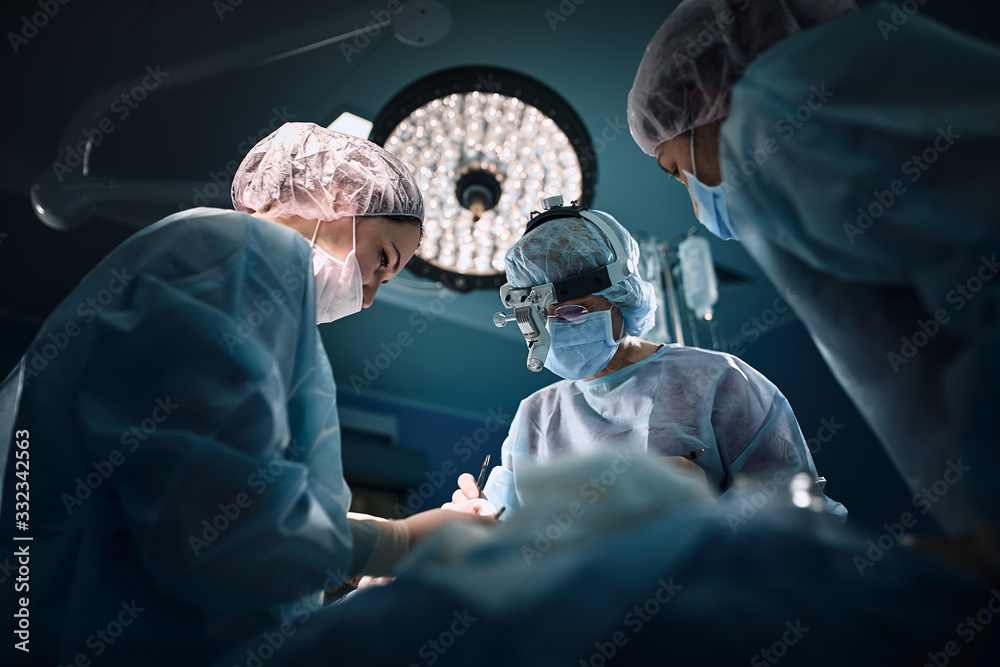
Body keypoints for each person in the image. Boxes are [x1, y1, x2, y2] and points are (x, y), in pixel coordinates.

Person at [0, 122, 487, 666]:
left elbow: (229, 587)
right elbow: (214, 538)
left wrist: (361, 570)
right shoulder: (238, 255)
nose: (369, 297)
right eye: (382, 262)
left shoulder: (233, 274)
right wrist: (406, 540)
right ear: (340, 196)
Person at [627, 0, 1000, 572]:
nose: (691, 191)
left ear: (700, 94)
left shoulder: (777, 117)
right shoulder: (835, 85)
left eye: (675, 170)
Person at [450, 206, 845, 521]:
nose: (554, 329)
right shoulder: (535, 417)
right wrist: (483, 519)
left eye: (571, 312)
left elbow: (800, 528)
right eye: (539, 318)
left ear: (621, 295)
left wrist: (702, 515)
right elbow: (512, 545)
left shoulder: (719, 382)